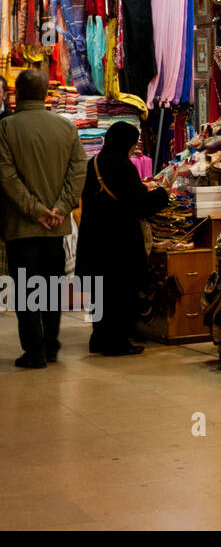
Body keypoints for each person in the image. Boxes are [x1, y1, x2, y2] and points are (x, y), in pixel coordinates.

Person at [0, 69, 87, 368]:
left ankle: (34, 351)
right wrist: (60, 208)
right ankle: (50, 346)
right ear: (45, 92)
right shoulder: (66, 128)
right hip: (56, 227)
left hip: (21, 226)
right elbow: (78, 172)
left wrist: (36, 210)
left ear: (17, 93)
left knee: (26, 290)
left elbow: (6, 176)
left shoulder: (6, 128)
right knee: (52, 287)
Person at [78, 121, 169, 356]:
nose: (134, 148)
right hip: (119, 244)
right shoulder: (123, 166)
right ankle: (117, 342)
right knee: (120, 294)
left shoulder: (94, 163)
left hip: (94, 241)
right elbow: (139, 205)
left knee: (100, 294)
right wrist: (162, 193)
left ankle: (99, 338)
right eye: (133, 143)